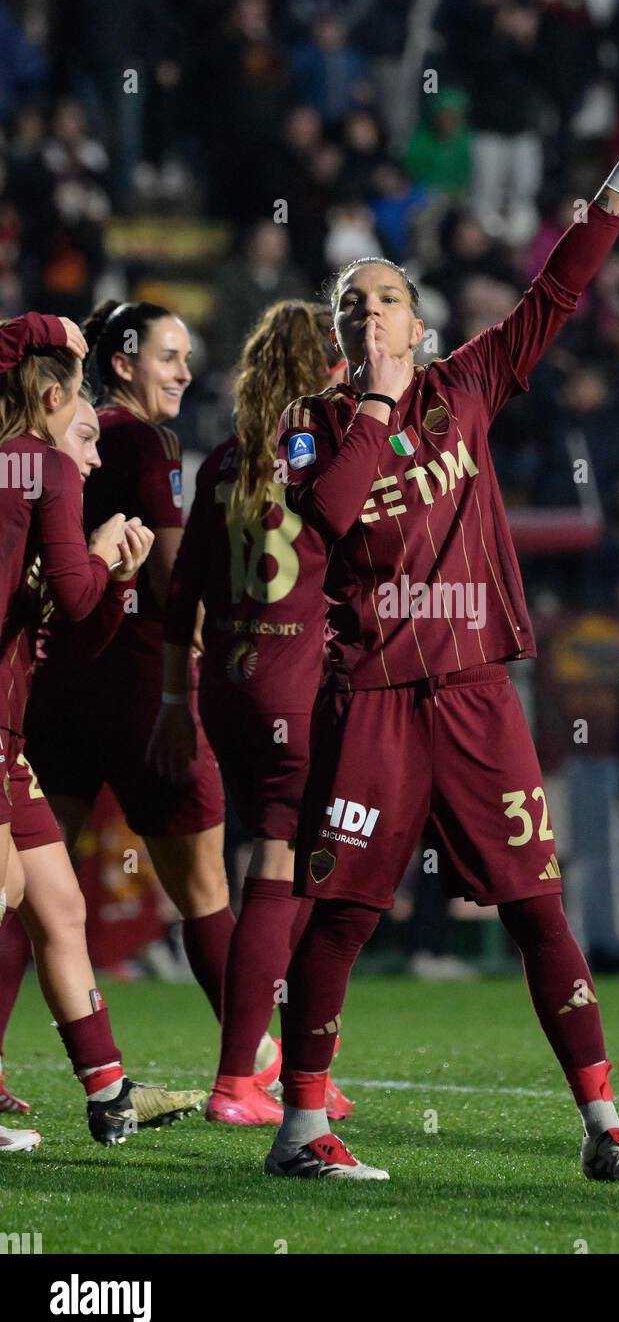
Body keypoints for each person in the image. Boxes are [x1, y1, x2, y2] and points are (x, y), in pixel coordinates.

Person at [265, 70, 619, 1183]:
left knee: (539, 908)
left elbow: (558, 291)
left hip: (474, 695)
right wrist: (367, 398)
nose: (367, 317)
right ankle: (300, 1128)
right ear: (339, 334)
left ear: (419, 315)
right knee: (344, 915)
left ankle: (603, 1123)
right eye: (350, 307)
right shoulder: (308, 431)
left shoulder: (468, 384)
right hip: (372, 704)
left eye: (383, 301)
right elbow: (336, 511)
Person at [21, 302, 283, 1085]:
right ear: (125, 362)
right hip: (142, 692)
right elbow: (174, 577)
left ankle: (6, 1071)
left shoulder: (68, 437)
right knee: (204, 893)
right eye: (169, 356)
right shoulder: (146, 442)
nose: (185, 371)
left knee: (26, 886)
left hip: (56, 685)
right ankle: (253, 1065)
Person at [148, 300, 352, 1125]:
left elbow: (182, 592)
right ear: (321, 371)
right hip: (291, 687)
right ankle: (240, 1080)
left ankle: (297, 1067)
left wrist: (173, 698)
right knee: (287, 870)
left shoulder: (225, 460)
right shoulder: (325, 459)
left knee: (292, 867)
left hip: (226, 686)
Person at [0, 326, 205, 1144]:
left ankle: (110, 1093)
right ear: (52, 398)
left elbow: (69, 638)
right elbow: (82, 606)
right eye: (85, 434)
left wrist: (105, 571)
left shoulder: (20, 475)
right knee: (6, 892)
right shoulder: (39, 466)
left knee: (57, 903)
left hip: (10, 736)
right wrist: (106, 561)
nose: (90, 459)